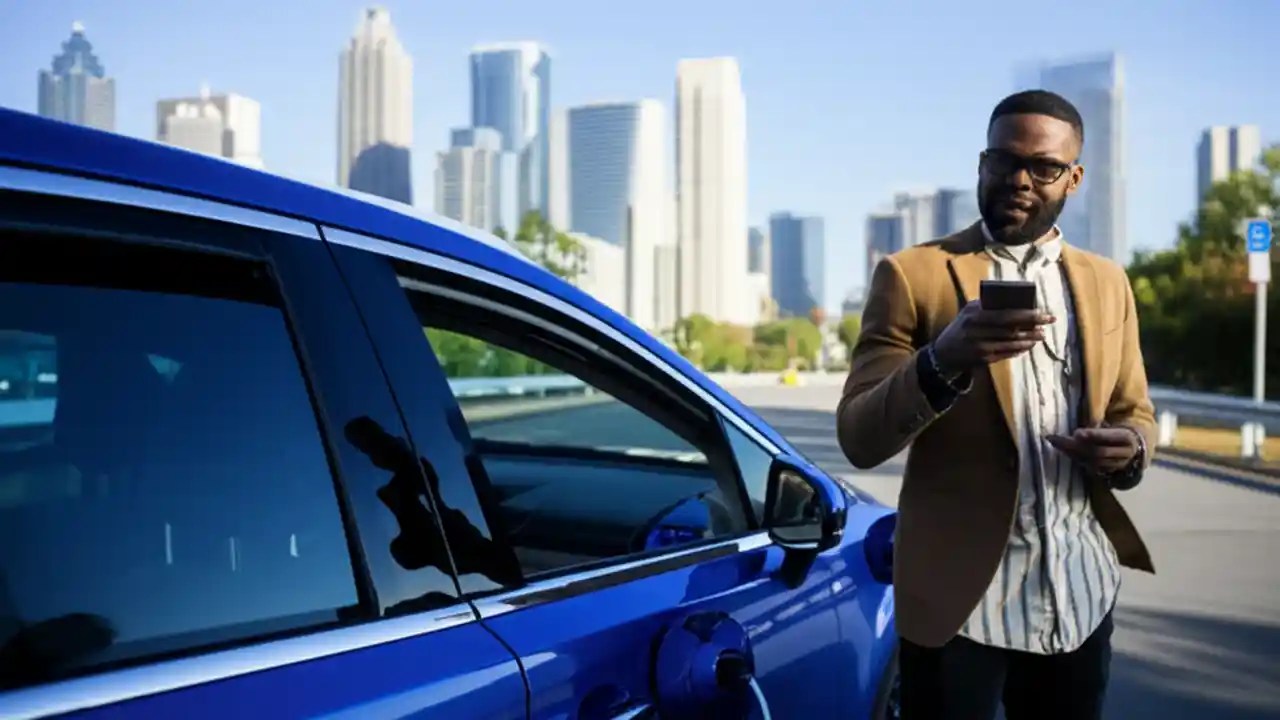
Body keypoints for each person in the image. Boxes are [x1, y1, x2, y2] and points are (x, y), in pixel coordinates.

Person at [837, 89, 1156, 720]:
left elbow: (1134, 410)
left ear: (1075, 177)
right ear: (981, 163)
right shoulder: (914, 275)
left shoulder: (1107, 282)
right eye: (1003, 161)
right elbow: (859, 436)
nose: (1019, 180)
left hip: (1079, 594)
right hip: (961, 607)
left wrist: (1130, 449)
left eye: (1043, 167)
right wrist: (943, 359)